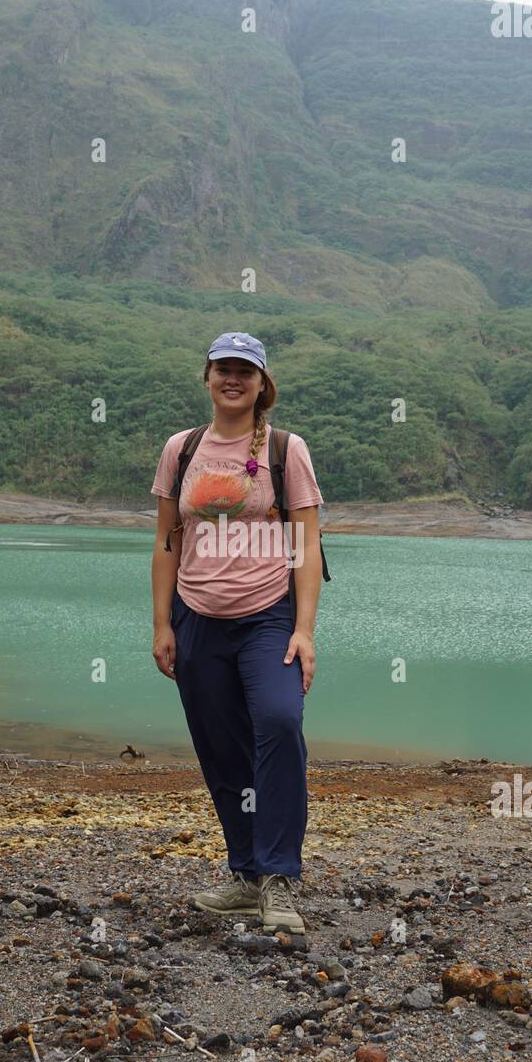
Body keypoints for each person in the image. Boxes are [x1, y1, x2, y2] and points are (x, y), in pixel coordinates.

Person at [150, 332, 324, 936]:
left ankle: (278, 876)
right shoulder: (182, 448)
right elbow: (167, 540)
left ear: (261, 383)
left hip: (268, 616)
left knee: (279, 723)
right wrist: (162, 623)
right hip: (197, 617)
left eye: (244, 372)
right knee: (221, 747)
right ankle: (245, 874)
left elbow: (306, 545)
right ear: (206, 377)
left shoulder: (284, 449)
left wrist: (304, 630)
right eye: (223, 369)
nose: (233, 379)